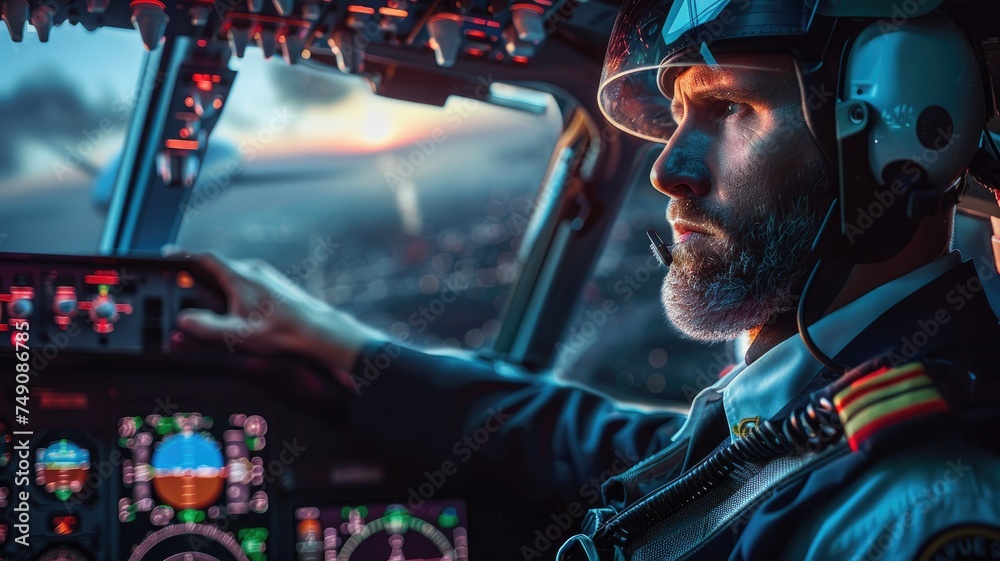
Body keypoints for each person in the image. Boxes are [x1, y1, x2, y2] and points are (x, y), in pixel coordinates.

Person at [174, 0, 1000, 558]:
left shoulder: (915, 504)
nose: (668, 170)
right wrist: (334, 340)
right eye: (679, 116)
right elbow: (594, 443)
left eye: (732, 109)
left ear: (901, 145)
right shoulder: (798, 411)